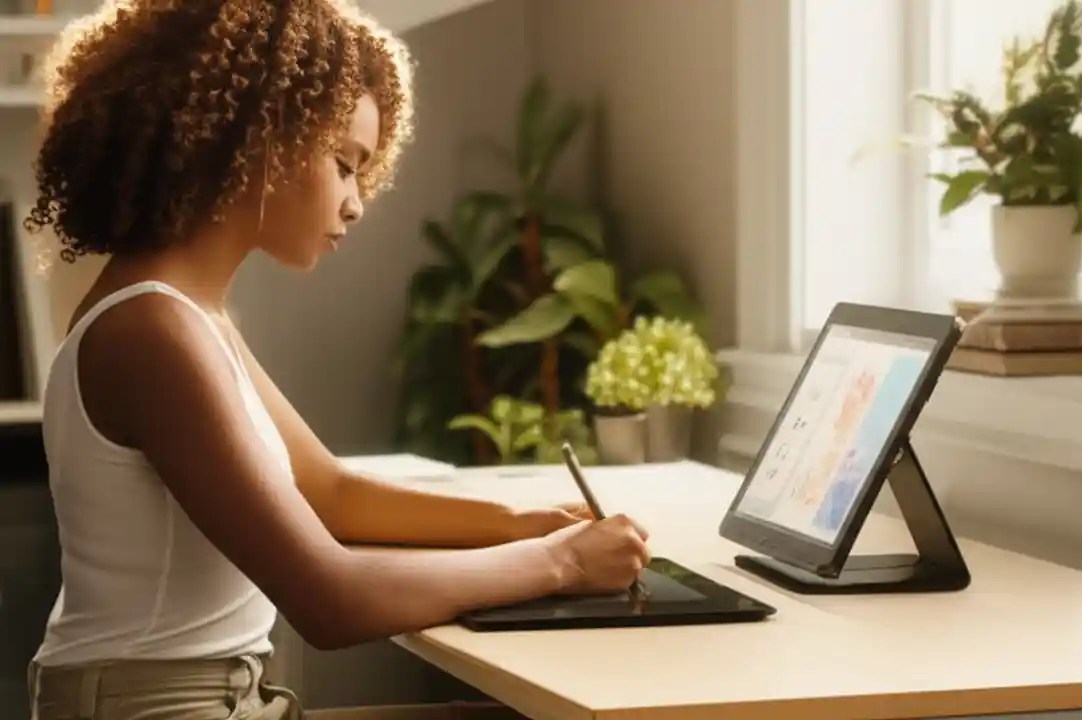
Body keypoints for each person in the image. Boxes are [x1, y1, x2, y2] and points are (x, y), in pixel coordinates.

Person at [24, 1, 651, 718]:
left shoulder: (189, 316)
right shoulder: (154, 332)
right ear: (255, 138)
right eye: (344, 165)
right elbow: (329, 600)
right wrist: (562, 563)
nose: (355, 203)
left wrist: (521, 523)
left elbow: (331, 496)